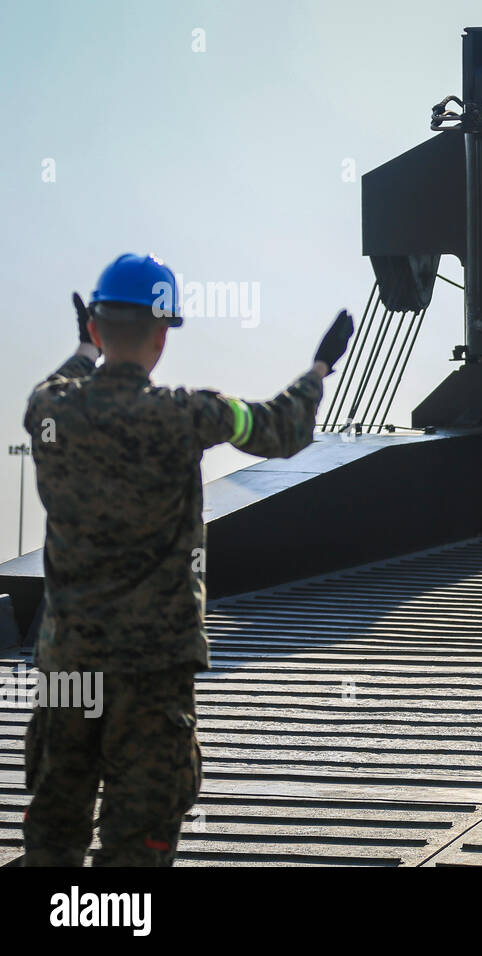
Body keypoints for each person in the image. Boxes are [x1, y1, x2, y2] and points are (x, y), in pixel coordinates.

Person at [21, 253, 354, 865]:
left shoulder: (49, 408)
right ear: (162, 333)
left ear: (95, 328)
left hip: (68, 665)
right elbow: (279, 429)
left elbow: (66, 376)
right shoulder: (190, 412)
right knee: (137, 846)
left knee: (52, 834)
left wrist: (82, 350)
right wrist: (319, 367)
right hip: (151, 671)